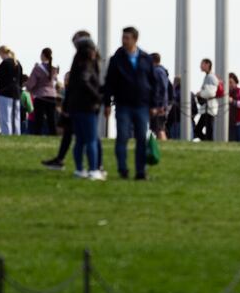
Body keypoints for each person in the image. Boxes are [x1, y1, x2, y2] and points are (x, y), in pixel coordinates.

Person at [43, 30, 104, 171]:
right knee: (81, 136)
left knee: (88, 137)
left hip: (83, 103)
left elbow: (83, 82)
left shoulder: (85, 59)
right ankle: (75, 163)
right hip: (81, 103)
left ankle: (92, 166)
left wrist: (96, 97)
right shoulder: (88, 58)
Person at [102, 27, 158, 180]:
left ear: (135, 39)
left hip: (142, 105)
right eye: (123, 37)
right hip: (123, 104)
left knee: (141, 138)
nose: (124, 41)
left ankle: (141, 171)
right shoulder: (117, 59)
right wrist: (107, 103)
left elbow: (153, 82)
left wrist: (154, 104)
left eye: (127, 38)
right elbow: (109, 83)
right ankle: (123, 169)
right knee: (122, 137)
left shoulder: (145, 59)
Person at [67, 38, 106, 181]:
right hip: (87, 107)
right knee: (91, 139)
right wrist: (98, 96)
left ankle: (79, 169)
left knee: (80, 140)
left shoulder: (76, 64)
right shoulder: (87, 66)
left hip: (75, 107)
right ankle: (94, 169)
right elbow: (86, 83)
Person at [25, 49, 58, 135]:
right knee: (51, 119)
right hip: (52, 96)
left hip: (40, 96)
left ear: (43, 55)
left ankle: (38, 135)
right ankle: (53, 135)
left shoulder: (38, 68)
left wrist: (28, 88)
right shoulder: (54, 69)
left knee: (39, 119)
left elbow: (32, 82)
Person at [0, 46, 22, 136]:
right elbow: (20, 79)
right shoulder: (18, 63)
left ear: (2, 53)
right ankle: (17, 134)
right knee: (16, 117)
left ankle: (6, 134)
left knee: (5, 116)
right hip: (16, 92)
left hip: (5, 92)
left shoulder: (5, 63)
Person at [193, 59, 219, 141]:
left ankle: (208, 143)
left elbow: (211, 92)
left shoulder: (211, 77)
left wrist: (200, 93)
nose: (200, 66)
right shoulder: (208, 76)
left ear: (208, 64)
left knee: (203, 130)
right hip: (207, 108)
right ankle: (207, 142)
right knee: (204, 129)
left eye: (202, 64)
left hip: (209, 108)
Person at [150, 53, 173, 140]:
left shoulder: (158, 71)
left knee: (159, 128)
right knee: (158, 127)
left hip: (159, 106)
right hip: (161, 104)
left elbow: (163, 89)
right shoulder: (162, 71)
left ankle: (163, 144)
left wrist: (161, 105)